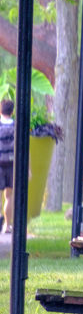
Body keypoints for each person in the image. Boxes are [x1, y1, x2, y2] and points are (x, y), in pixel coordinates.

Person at [0, 99, 14, 234]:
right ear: (12, 111)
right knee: (8, 196)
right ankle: (7, 225)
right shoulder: (15, 126)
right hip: (11, 163)